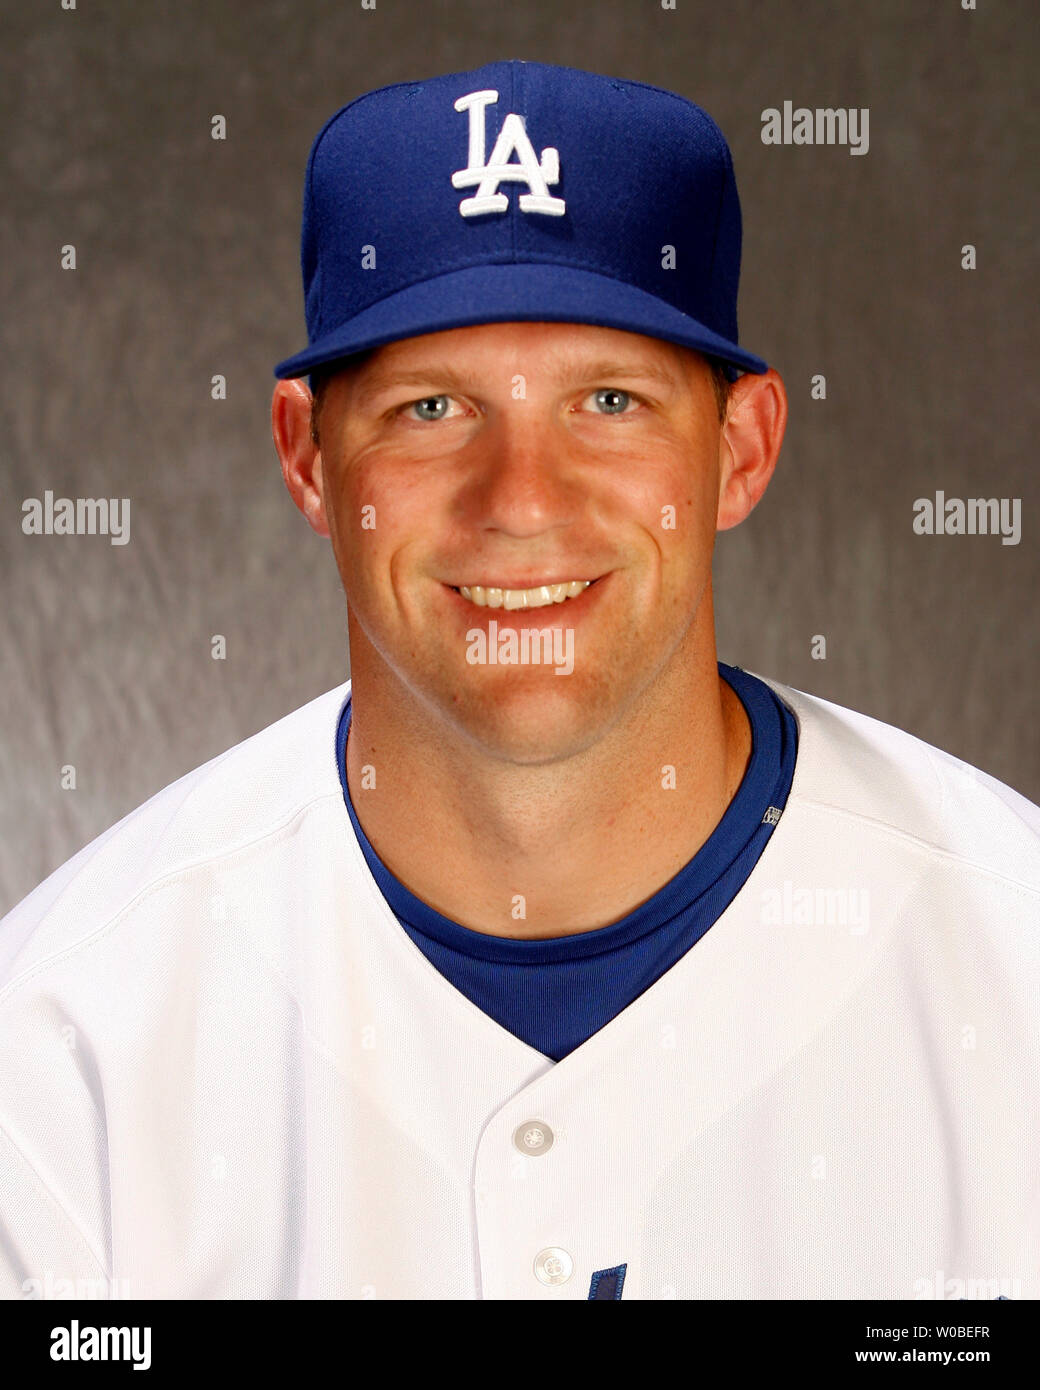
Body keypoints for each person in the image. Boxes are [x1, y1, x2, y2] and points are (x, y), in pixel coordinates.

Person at [1, 59, 1037, 1302]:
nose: (522, 502)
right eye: (430, 407)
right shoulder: (62, 1045)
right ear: (308, 458)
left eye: (609, 399)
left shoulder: (1009, 963)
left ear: (740, 449)